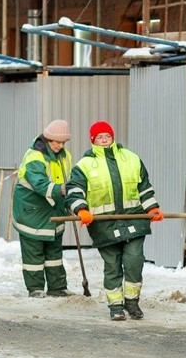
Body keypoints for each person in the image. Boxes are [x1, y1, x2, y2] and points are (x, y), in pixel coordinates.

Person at [65, 120, 164, 321]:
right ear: (93, 140)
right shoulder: (83, 166)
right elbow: (75, 190)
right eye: (99, 137)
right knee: (112, 265)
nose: (104, 140)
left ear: (113, 137)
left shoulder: (131, 158)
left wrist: (152, 207)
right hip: (104, 225)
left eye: (107, 136)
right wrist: (81, 209)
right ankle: (115, 306)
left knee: (134, 261)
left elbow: (144, 186)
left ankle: (132, 303)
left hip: (134, 220)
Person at [13, 119, 74, 298]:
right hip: (31, 211)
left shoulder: (65, 156)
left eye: (63, 142)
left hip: (54, 210)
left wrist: (67, 202)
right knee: (33, 252)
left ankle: (57, 287)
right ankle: (35, 288)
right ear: (48, 139)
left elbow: (66, 180)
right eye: (57, 142)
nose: (60, 146)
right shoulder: (34, 157)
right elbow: (40, 184)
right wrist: (61, 190)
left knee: (54, 252)